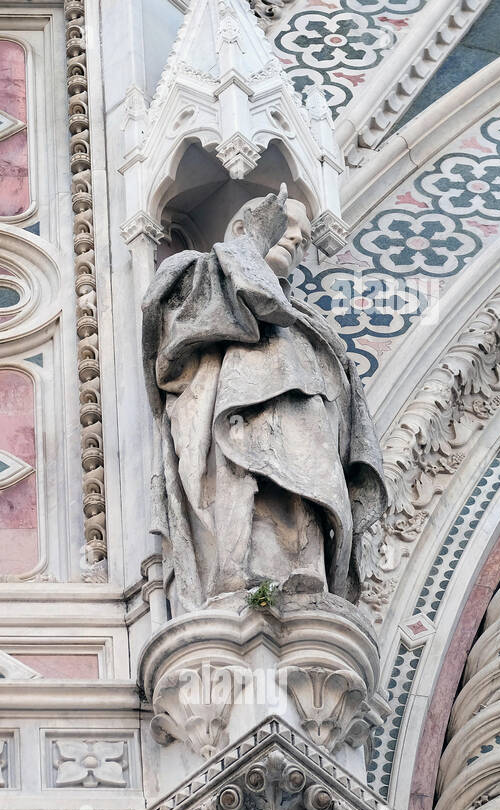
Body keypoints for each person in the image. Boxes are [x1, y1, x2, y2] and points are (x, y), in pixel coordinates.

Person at [141, 186, 386, 615]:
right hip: (230, 421)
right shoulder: (197, 272)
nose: (295, 240)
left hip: (301, 429)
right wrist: (250, 242)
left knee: (298, 509)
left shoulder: (308, 321)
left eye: (304, 236)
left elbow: (343, 397)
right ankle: (237, 576)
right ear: (244, 227)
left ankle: (303, 575)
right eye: (285, 226)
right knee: (240, 495)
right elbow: (246, 308)